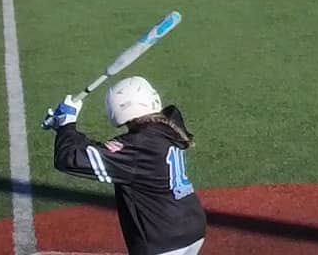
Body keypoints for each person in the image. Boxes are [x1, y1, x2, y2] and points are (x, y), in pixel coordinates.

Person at [42, 75, 207, 255]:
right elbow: (105, 152)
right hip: (192, 228)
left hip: (163, 240)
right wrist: (63, 129)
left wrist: (67, 125)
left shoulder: (138, 146)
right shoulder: (167, 129)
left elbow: (69, 158)